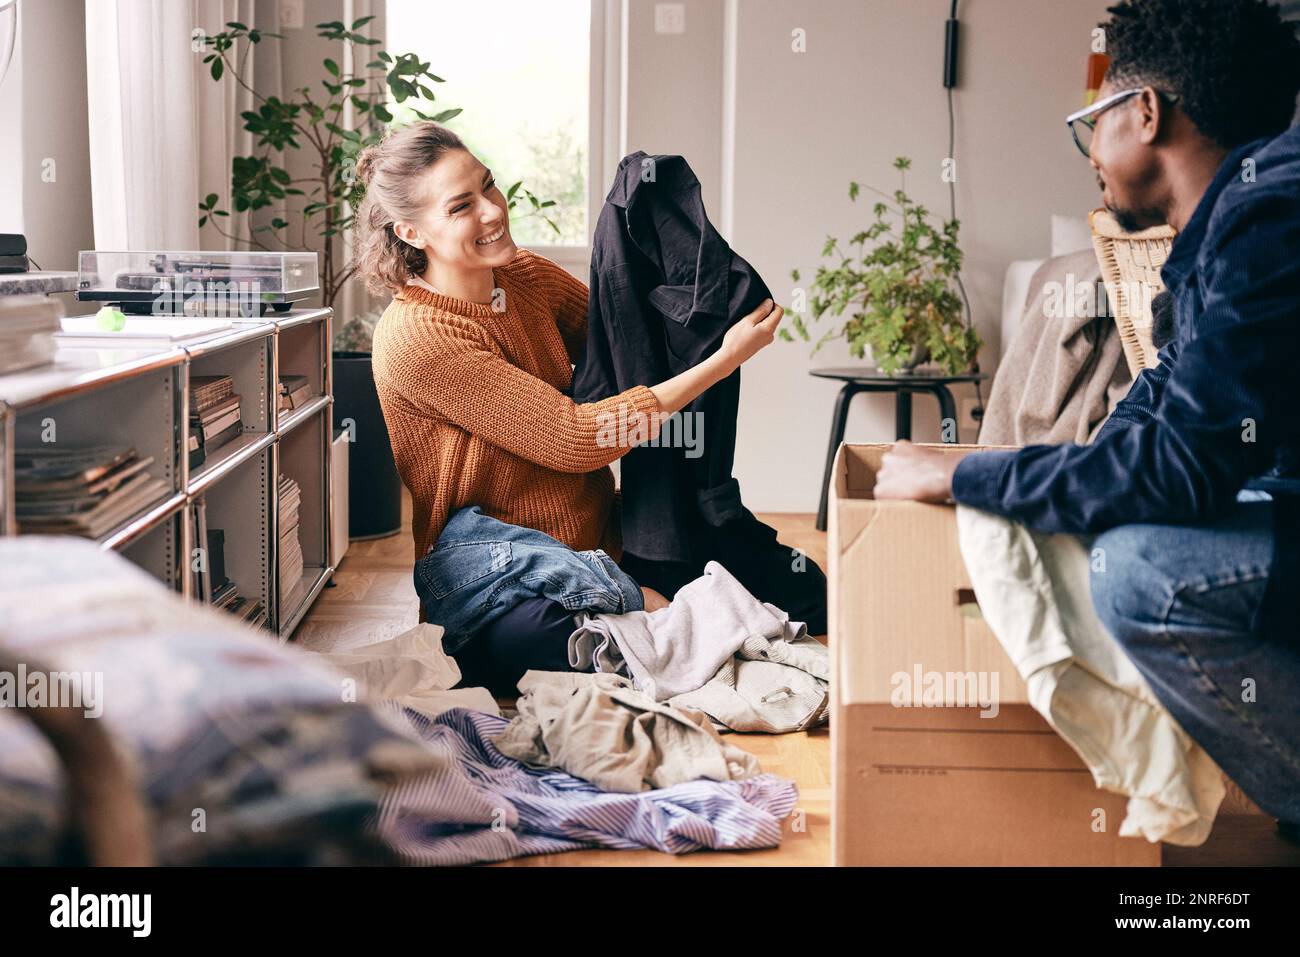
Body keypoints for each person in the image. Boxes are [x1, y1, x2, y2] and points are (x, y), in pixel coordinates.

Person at [875, 0, 1300, 831]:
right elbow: (1143, 430)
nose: (1089, 154)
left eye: (1089, 123)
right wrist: (1026, 483)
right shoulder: (1219, 236)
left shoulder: (1270, 221)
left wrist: (968, 468)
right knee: (1107, 523)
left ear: (1145, 113)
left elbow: (1182, 468)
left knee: (1140, 573)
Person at [357, 122, 783, 692]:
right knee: (541, 639)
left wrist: (693, 305)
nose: (491, 211)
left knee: (789, 591)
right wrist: (720, 363)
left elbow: (624, 343)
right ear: (411, 232)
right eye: (462, 206)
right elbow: (574, 440)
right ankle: (644, 612)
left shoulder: (525, 279)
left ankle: (645, 611)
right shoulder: (417, 338)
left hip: (598, 541)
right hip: (498, 575)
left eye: (489, 187)